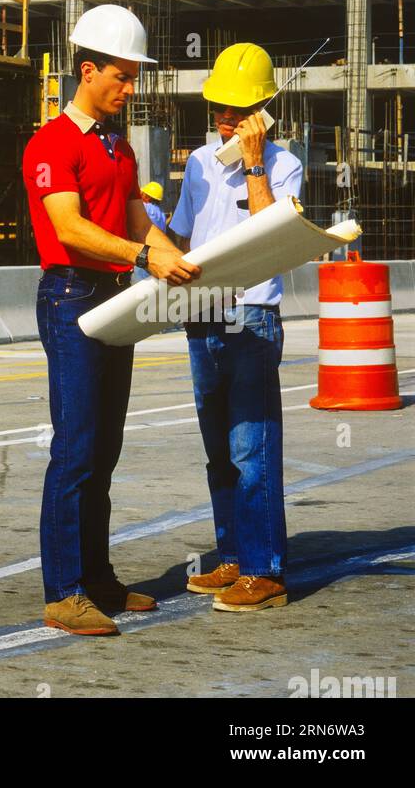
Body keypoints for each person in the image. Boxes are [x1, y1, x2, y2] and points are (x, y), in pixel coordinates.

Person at [22, 4, 200, 636]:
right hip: (71, 295)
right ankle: (63, 591)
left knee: (103, 448)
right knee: (73, 449)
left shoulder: (117, 147)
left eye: (134, 78)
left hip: (113, 296)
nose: (130, 88)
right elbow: (69, 228)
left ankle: (96, 579)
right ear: (87, 69)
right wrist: (145, 256)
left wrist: (186, 259)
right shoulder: (51, 143)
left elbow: (137, 222)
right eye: (122, 77)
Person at [170, 42, 303, 613]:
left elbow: (273, 233)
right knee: (218, 448)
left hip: (251, 315)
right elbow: (182, 235)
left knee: (254, 446)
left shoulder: (284, 164)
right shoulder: (198, 164)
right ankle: (233, 554)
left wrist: (252, 161)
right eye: (220, 108)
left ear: (263, 109)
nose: (226, 119)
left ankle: (264, 569)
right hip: (203, 312)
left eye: (238, 110)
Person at [134, 182, 167, 280]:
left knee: (139, 286)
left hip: (143, 253)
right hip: (157, 253)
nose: (140, 194)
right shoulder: (161, 214)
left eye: (142, 193)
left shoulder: (146, 208)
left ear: (148, 197)